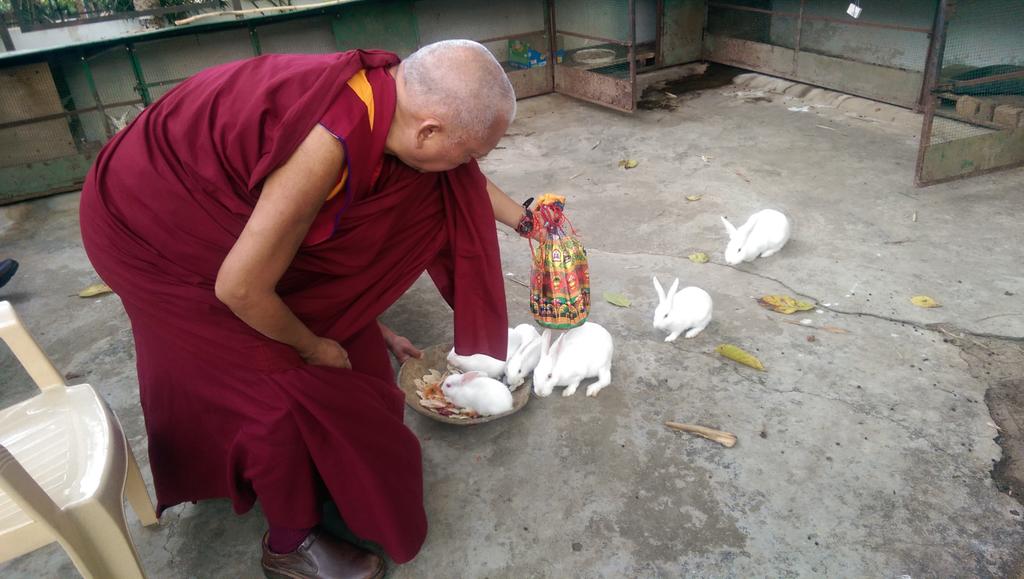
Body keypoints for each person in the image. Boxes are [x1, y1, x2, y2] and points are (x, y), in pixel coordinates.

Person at [79, 40, 534, 579]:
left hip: (233, 227)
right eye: (467, 154)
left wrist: (529, 222)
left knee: (359, 355)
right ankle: (289, 542)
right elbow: (240, 289)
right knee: (276, 380)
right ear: (428, 131)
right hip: (149, 228)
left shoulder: (393, 96)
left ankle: (327, 468)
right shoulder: (329, 142)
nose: (467, 168)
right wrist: (313, 344)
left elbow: (462, 187)